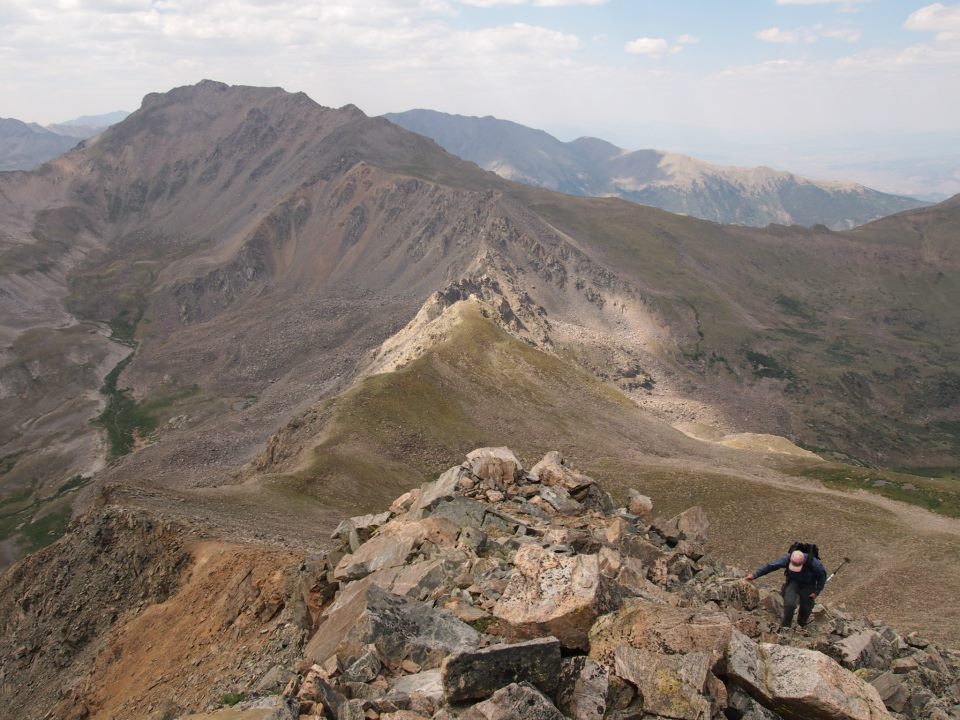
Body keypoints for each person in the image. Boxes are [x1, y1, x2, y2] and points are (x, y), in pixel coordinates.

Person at [744, 548, 827, 629]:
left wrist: (816, 592)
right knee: (789, 603)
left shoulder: (815, 564)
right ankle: (786, 627)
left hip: (809, 585)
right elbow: (771, 566)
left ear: (803, 562)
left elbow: (822, 578)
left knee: (806, 607)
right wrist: (755, 575)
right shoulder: (787, 559)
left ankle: (802, 624)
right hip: (793, 582)